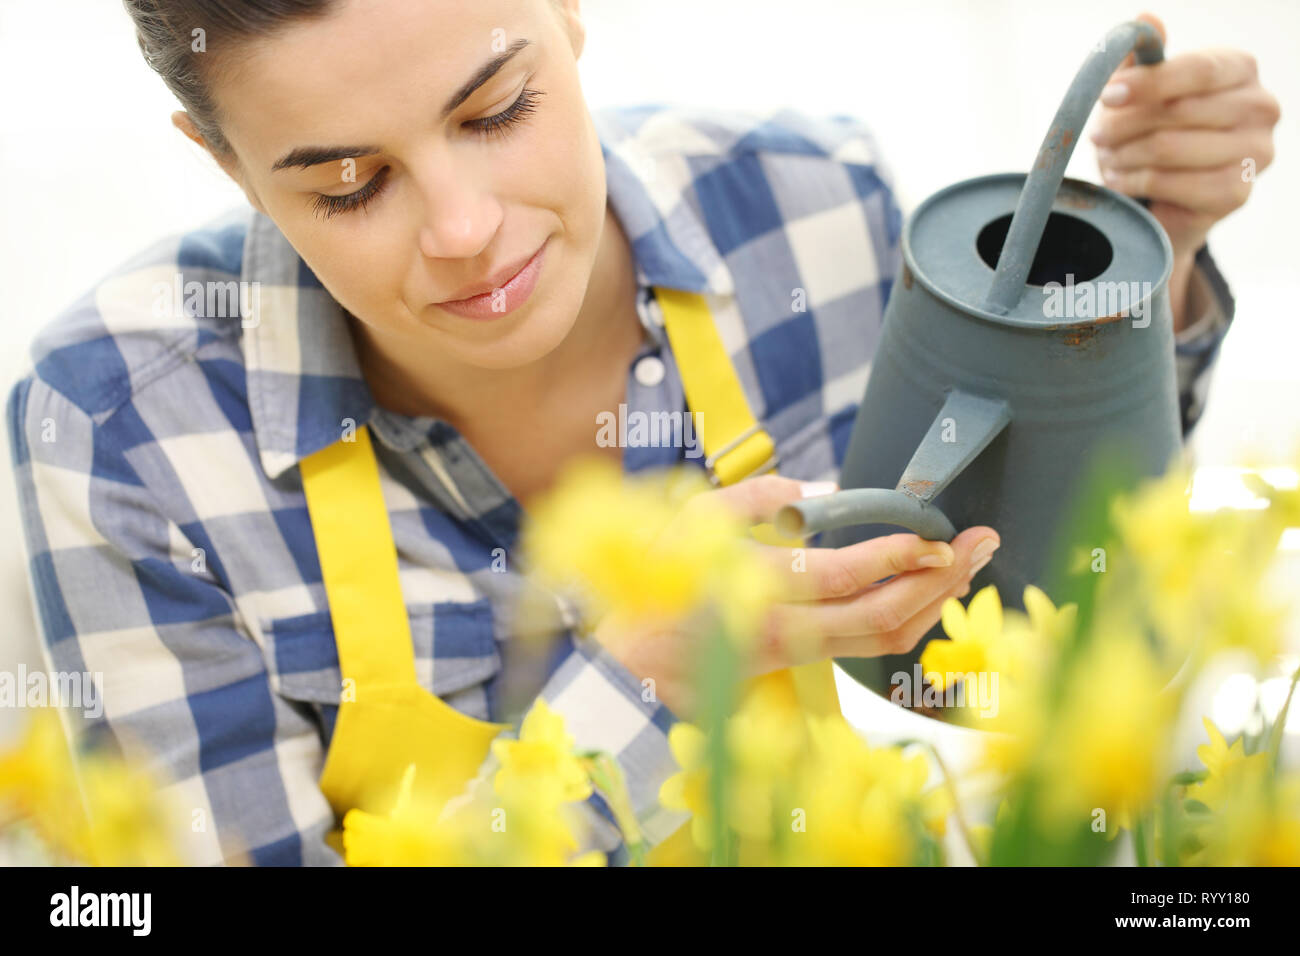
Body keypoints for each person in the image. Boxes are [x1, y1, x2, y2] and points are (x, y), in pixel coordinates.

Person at [5, 1, 1277, 865]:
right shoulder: (119, 431)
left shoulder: (806, 209)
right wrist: (640, 683)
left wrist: (1138, 274)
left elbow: (1045, 593)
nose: (463, 230)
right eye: (348, 184)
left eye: (496, 109)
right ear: (225, 160)